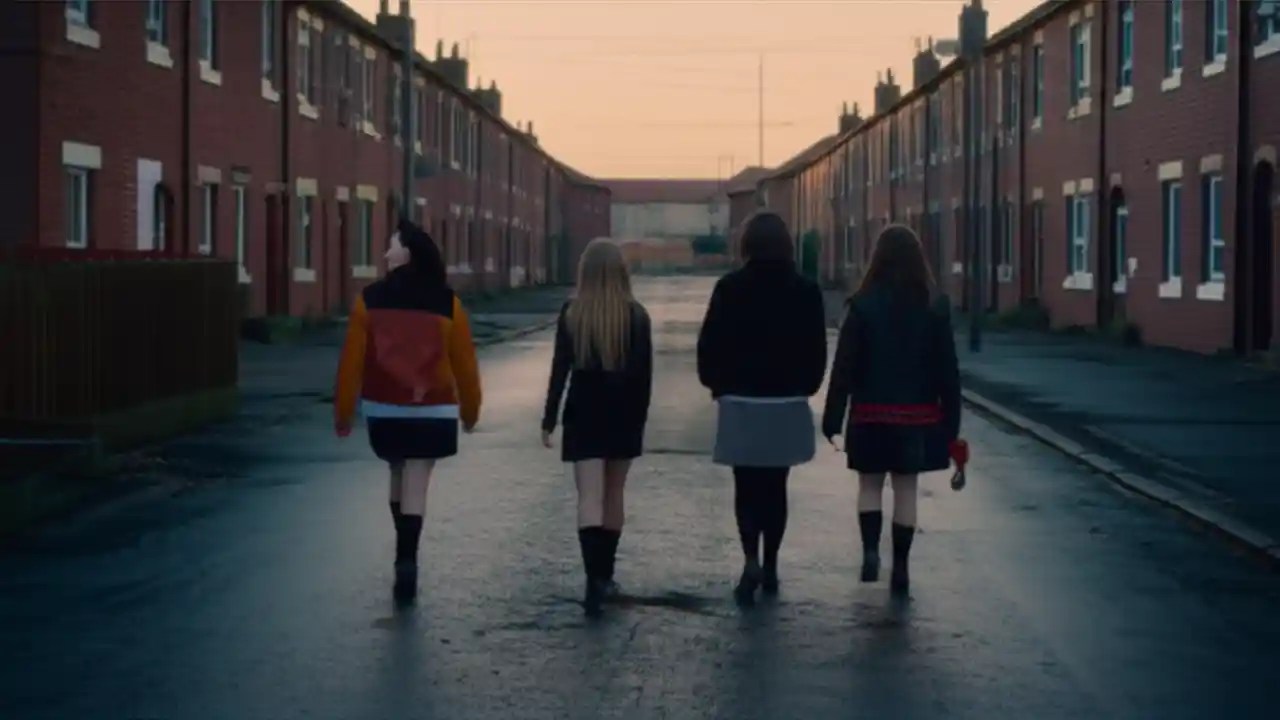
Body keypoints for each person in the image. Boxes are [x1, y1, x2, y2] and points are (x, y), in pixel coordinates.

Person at [334, 218, 482, 603]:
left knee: (397, 469)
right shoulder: (448, 303)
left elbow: (352, 362)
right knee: (417, 477)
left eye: (392, 245)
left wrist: (344, 411)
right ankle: (407, 560)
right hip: (433, 409)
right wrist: (470, 411)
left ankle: (401, 552)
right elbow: (465, 365)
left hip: (384, 408)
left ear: (409, 252)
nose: (385, 253)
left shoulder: (369, 299)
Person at [821, 224, 961, 596]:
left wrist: (832, 417)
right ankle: (901, 566)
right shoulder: (934, 307)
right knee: (906, 490)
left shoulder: (862, 306)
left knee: (869, 484)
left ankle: (870, 552)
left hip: (869, 415)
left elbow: (844, 368)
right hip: (916, 418)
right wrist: (951, 425)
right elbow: (948, 371)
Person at [696, 212, 828, 606]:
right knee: (776, 486)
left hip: (741, 401)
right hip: (786, 401)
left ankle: (750, 557)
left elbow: (709, 346)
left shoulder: (729, 288)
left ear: (747, 245)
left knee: (746, 486)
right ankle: (771, 565)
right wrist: (805, 387)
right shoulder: (806, 290)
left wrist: (717, 385)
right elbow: (817, 351)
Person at [542, 239, 653, 618]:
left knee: (589, 496)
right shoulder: (637, 316)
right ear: (621, 272)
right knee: (614, 493)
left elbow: (560, 371)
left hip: (583, 415)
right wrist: (639, 421)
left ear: (584, 273)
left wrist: (549, 419)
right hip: (623, 416)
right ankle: (606, 574)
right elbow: (643, 378)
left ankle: (591, 580)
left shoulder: (572, 313)